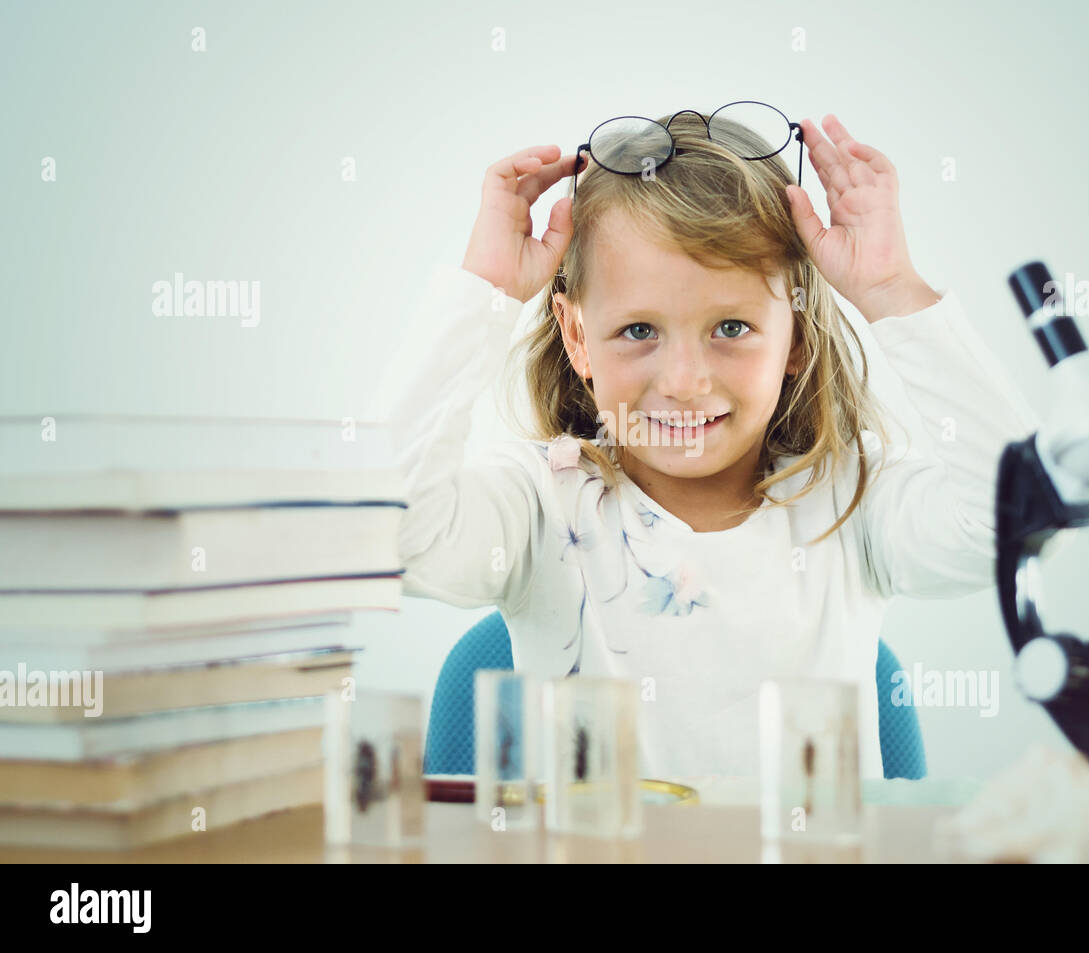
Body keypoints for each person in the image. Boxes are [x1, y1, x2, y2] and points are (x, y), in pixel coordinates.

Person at [367, 110, 1041, 782]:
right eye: (638, 331)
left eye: (731, 326)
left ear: (797, 336)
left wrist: (894, 290)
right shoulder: (542, 502)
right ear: (577, 337)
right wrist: (482, 293)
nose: (685, 382)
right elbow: (382, 536)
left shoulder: (852, 498)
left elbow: (1021, 516)